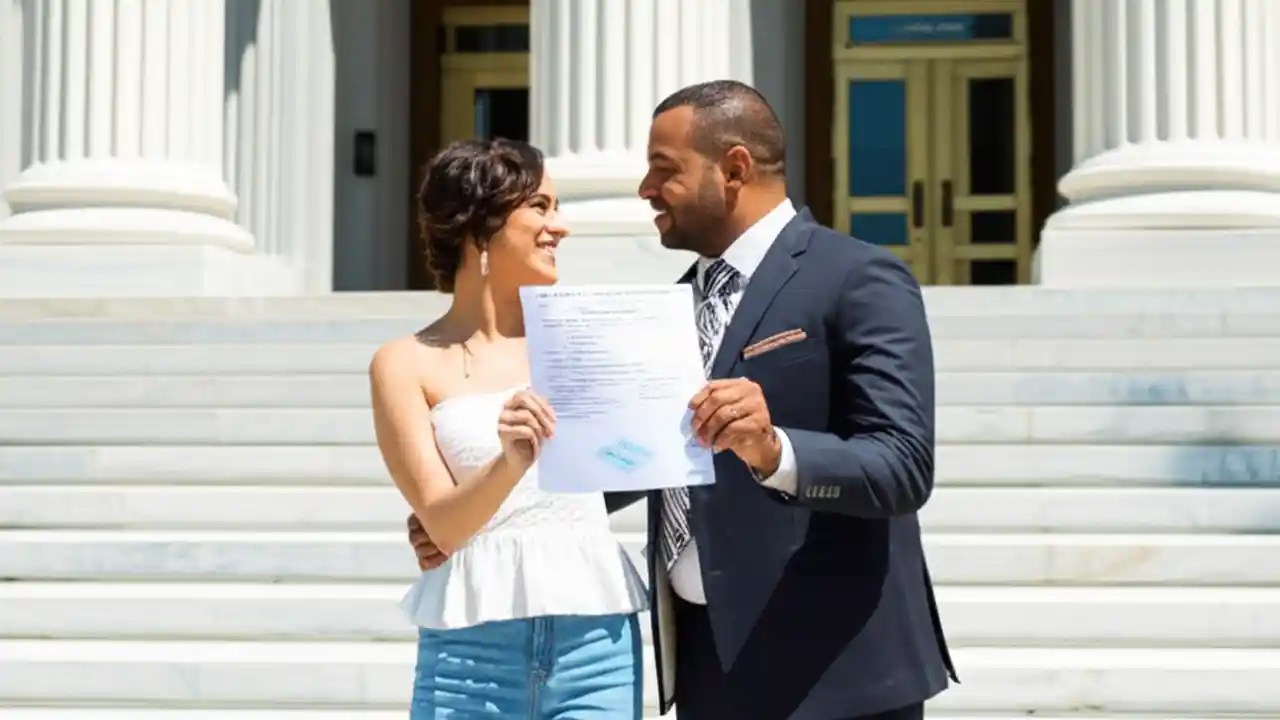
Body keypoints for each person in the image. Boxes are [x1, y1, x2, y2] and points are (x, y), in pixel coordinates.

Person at [410, 80, 957, 719]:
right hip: (707, 670)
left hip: (838, 676)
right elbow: (630, 458)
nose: (644, 188)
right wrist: (476, 517)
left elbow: (902, 466)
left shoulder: (858, 277)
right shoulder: (669, 306)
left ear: (734, 169)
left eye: (664, 170)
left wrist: (772, 448)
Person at [370, 137, 648, 719]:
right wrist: (510, 462)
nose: (560, 227)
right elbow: (442, 523)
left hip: (596, 645)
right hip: (471, 653)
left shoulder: (586, 338)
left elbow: (645, 460)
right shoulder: (405, 363)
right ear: (481, 228)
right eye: (540, 207)